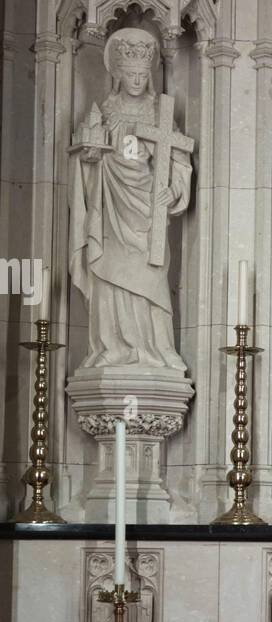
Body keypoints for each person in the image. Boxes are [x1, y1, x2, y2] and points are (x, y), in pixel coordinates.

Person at [68, 27, 192, 370]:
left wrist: (175, 190)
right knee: (109, 275)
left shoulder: (161, 116)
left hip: (148, 211)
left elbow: (180, 160)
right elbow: (84, 160)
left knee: (151, 275)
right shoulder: (104, 114)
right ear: (118, 75)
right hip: (109, 208)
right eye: (131, 74)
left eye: (142, 74)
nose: (137, 80)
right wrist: (90, 158)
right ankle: (112, 348)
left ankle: (155, 350)